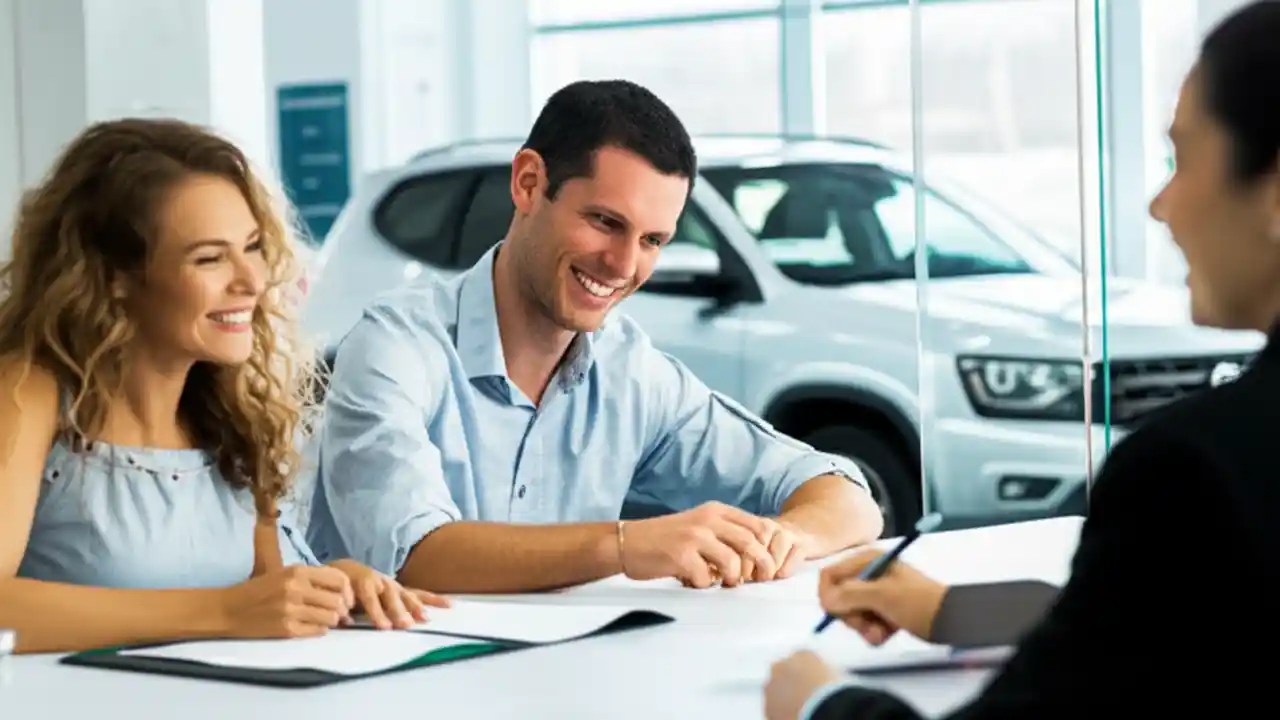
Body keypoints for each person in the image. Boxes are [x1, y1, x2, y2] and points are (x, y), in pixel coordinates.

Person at [765, 2, 1280, 717]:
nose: (1160, 206)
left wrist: (820, 704)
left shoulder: (1194, 469)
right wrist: (955, 612)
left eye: (1182, 158)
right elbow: (1201, 621)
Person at [308, 79, 884, 594]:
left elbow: (846, 496)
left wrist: (778, 541)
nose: (623, 265)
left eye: (653, 240)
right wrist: (627, 546)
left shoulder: (631, 371)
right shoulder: (394, 348)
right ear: (529, 184)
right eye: (605, 222)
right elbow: (416, 555)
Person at [0, 118, 447, 655]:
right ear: (113, 276)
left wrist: (336, 585)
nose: (251, 281)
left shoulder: (231, 414)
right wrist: (223, 611)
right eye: (209, 258)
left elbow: (266, 596)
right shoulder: (29, 392)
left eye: (253, 247)